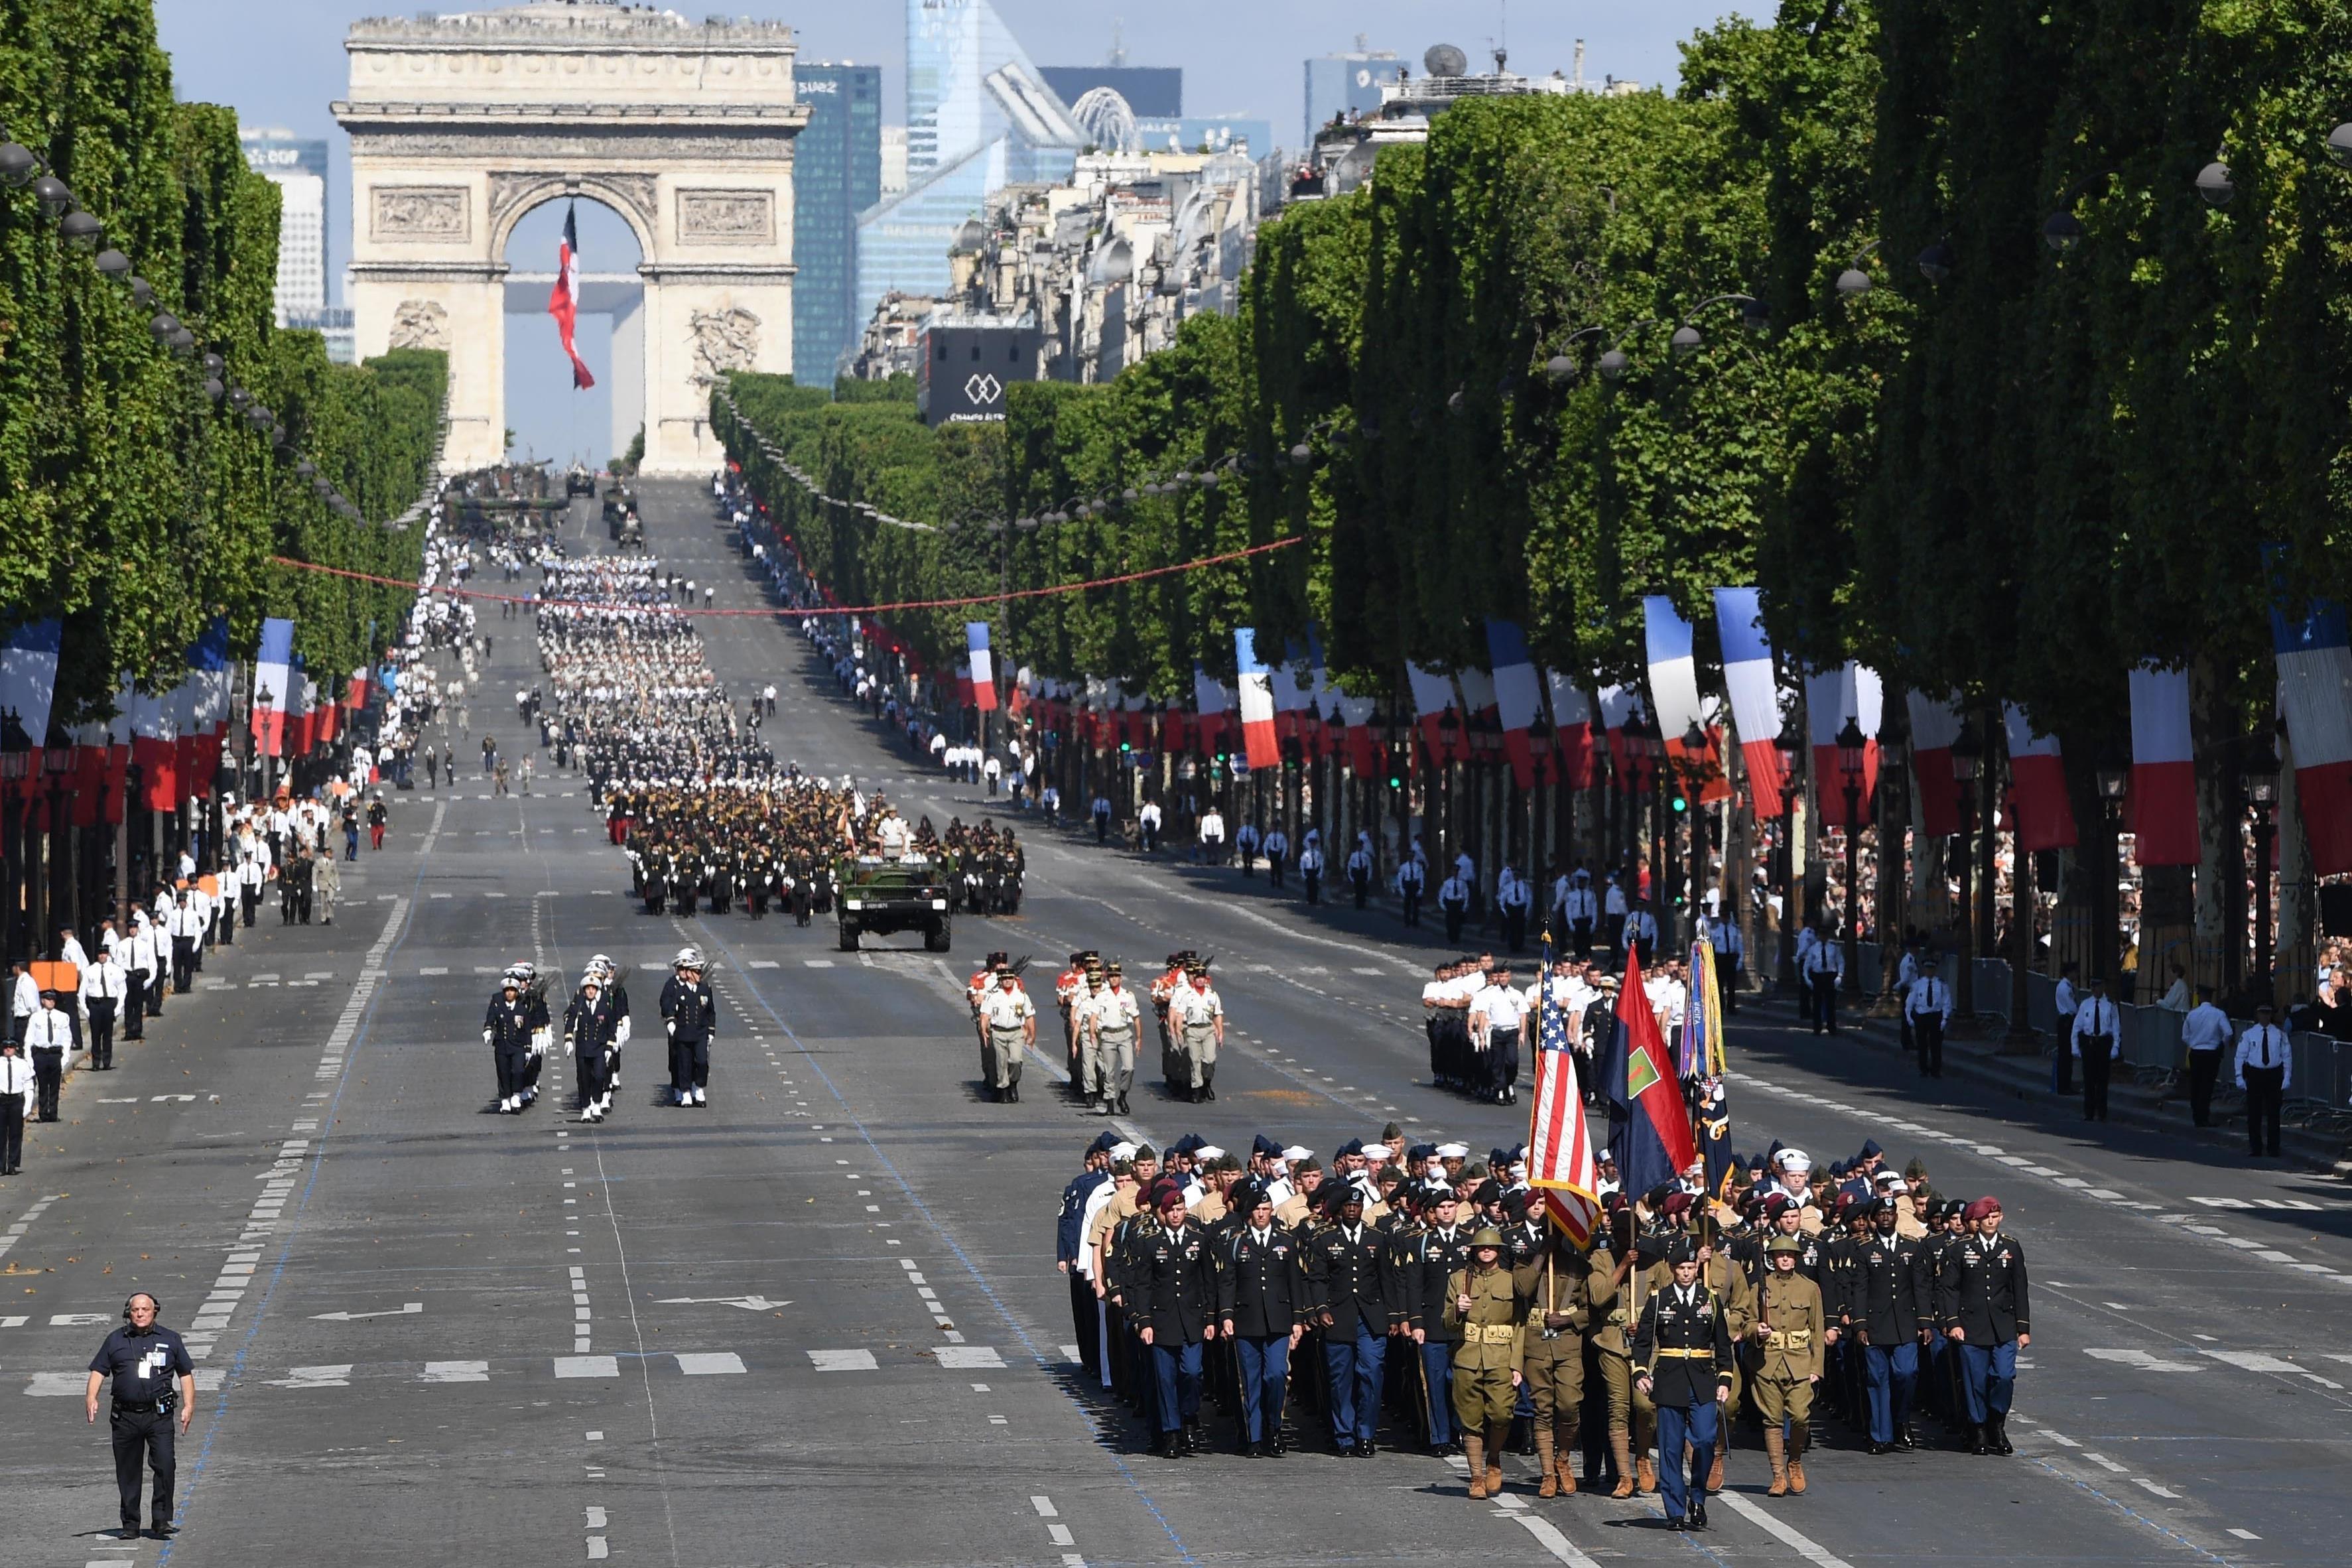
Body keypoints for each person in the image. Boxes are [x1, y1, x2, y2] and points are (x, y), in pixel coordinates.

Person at [1632, 1236, 1734, 1530]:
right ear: (1673, 1269)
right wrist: (1640, 1372)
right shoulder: (1660, 1299)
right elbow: (1643, 1342)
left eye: (1691, 1267)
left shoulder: (1710, 1300)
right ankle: (1675, 1510)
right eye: (1681, 1268)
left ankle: (1698, 1496)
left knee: (1704, 1440)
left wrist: (1725, 1379)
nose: (1687, 1273)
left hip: (1702, 1379)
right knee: (1671, 1449)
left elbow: (1723, 1345)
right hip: (1670, 1378)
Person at [84, 1293, 194, 1540]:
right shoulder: (115, 1340)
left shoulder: (171, 1339)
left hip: (159, 1417)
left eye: (145, 1309)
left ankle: (161, 1519)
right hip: (125, 1417)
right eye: (135, 1310)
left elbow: (185, 1374)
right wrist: (91, 1397)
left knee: (166, 1464)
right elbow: (98, 1372)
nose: (140, 1314)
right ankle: (131, 1524)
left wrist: (189, 1405)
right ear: (128, 1312)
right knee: (128, 1471)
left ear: (155, 1310)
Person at [1937, 1196, 2029, 1455]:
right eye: (1986, 1216)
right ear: (1976, 1221)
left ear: (2001, 1218)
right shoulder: (1960, 1248)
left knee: (2004, 1375)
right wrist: (1952, 1322)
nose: (1991, 1220)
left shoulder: (2011, 1246)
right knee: (1974, 1381)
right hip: (1971, 1326)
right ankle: (1977, 1428)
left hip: (2003, 1325)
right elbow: (1949, 1288)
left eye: (1995, 1216)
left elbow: (2019, 1288)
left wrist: (2023, 1328)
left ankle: (1997, 1423)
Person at [1306, 1185, 1392, 1458]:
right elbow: (1317, 1279)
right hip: (1339, 1317)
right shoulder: (1324, 1239)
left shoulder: (1377, 1238)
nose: (1353, 1210)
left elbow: (1387, 1279)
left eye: (1357, 1206)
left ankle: (1365, 1433)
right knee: (1340, 1380)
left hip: (1371, 1317)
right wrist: (1321, 1309)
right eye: (1348, 1206)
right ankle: (1344, 1435)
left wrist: (1395, 1316)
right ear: (1340, 1209)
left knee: (1372, 1372)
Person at [1218, 1183, 1303, 1457]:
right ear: (1249, 1213)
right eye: (1257, 1210)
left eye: (1266, 1209)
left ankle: (1274, 1428)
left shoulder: (1286, 1242)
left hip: (1279, 1320)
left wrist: (1298, 1320)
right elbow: (1228, 1283)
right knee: (1249, 1382)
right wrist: (1227, 1316)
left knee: (1277, 1375)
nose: (1262, 1214)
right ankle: (1253, 1437)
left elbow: (1295, 1283)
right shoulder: (1236, 1244)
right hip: (1247, 1319)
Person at [1514, 1220, 1594, 1496]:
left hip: (1568, 1345)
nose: (1554, 1240)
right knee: (1542, 1409)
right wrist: (1541, 1255)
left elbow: (1590, 1309)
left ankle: (1563, 1457)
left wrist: (1568, 1318)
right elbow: (1524, 1289)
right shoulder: (1525, 1262)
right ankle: (1548, 1473)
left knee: (1570, 1405)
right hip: (1536, 1345)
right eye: (1549, 1236)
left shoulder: (1579, 1266)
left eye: (1558, 1235)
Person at [1136, 1183, 1216, 1456]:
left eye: (1180, 1210)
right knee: (1165, 1379)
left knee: (1192, 1373)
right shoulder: (1151, 1244)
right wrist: (1145, 1322)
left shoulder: (1198, 1239)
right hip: (1162, 1321)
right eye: (1171, 1210)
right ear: (1163, 1212)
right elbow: (1143, 1285)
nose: (1175, 1215)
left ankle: (1189, 1416)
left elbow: (1208, 1282)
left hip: (1192, 1320)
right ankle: (1171, 1433)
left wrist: (1210, 1319)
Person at [1443, 1226, 1522, 1500]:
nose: (1486, 1251)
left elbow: (1519, 1325)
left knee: (1502, 1414)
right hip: (1468, 1356)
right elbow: (1447, 1323)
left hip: (1501, 1357)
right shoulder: (1459, 1280)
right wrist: (1457, 1310)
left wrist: (1517, 1364)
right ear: (1474, 1251)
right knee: (1470, 1419)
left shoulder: (1512, 1281)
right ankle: (1477, 1476)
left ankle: (1495, 1459)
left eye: (1491, 1248)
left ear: (1499, 1251)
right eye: (1481, 1247)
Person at [1750, 1232, 1826, 1495]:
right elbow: (1747, 1321)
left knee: (1800, 1416)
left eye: (1789, 1255)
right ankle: (1778, 1476)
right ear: (1771, 1259)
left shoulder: (1809, 1288)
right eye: (1780, 1255)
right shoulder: (1760, 1286)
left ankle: (1794, 1460)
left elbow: (1818, 1330)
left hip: (1799, 1362)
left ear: (1796, 1259)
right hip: (1768, 1361)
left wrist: (1817, 1367)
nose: (1785, 1259)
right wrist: (1755, 1331)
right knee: (1771, 1420)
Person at [660, 947, 718, 1108]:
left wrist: (711, 1032)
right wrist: (671, 1022)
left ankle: (698, 1089)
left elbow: (710, 1011)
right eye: (682, 969)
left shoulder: (705, 989)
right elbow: (667, 1005)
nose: (685, 972)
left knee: (701, 1062)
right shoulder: (675, 987)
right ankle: (682, 1091)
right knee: (680, 1062)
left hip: (700, 1033)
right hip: (682, 1032)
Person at [1084, 963, 1140, 1117]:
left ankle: (1122, 1096)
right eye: (1111, 976)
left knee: (1128, 1068)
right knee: (1109, 1072)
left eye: (1116, 976)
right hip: (1108, 1035)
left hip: (1124, 1034)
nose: (1114, 979)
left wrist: (1139, 1038)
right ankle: (1109, 1103)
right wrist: (1092, 1035)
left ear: (1121, 978)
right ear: (1107, 979)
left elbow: (1136, 1018)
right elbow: (1094, 1017)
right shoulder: (1102, 996)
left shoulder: (1128, 996)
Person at [2235, 1003, 2290, 1157]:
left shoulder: (2279, 1034)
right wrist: (2239, 1076)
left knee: (2273, 1113)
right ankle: (2255, 1147)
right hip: (2255, 1074)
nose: (2265, 1017)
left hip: (2273, 1074)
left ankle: (2273, 1148)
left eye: (2268, 1013)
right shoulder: (2249, 1034)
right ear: (2258, 1015)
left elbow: (2286, 1056)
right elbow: (2240, 1056)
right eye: (2262, 1013)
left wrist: (2287, 1076)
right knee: (2254, 1113)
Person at [1169, 960, 1224, 1102]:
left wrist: (1220, 1032)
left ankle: (1206, 1082)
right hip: (1192, 1031)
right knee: (1195, 1061)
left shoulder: (1213, 995)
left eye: (1202, 977)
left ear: (1206, 979)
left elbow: (1217, 1015)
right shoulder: (1188, 995)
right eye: (1197, 977)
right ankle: (1196, 1090)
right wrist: (1178, 1030)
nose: (1199, 979)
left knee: (1209, 1060)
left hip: (1208, 1030)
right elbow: (1180, 1014)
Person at [978, 966, 1035, 1104]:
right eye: (1005, 979)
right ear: (1000, 980)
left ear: (1014, 979)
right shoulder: (994, 996)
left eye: (1010, 978)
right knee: (1001, 1062)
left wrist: (1032, 1035)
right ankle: (1003, 1090)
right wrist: (983, 1030)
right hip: (998, 1032)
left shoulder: (1021, 996)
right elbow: (985, 1015)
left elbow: (1030, 1017)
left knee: (1015, 1060)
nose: (1008, 981)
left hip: (1016, 1032)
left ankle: (1013, 1083)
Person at [2069, 976, 2121, 1122]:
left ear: (2103, 987)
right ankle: (2089, 1112)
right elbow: (2077, 1026)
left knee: (2102, 1080)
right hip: (2089, 1043)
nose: (2094, 989)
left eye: (2097, 986)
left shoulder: (2110, 1005)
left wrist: (2115, 1047)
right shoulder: (2086, 1004)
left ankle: (2102, 1112)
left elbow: (2116, 1028)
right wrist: (2075, 1046)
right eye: (2092, 987)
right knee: (2089, 1080)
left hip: (2103, 1043)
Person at [484, 970, 535, 1115]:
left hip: (518, 1046)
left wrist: (528, 1048)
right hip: (502, 1045)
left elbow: (527, 1029)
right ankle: (505, 1099)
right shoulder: (498, 1006)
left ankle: (516, 1096)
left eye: (512, 991)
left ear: (517, 993)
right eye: (507, 991)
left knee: (518, 1071)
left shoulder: (522, 1009)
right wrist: (488, 1029)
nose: (509, 994)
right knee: (503, 1073)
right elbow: (491, 1018)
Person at [2180, 991, 2232, 1127]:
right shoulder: (2218, 1014)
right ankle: (2204, 1116)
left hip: (2196, 1052)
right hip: (2211, 1053)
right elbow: (2228, 1032)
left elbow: (2185, 1036)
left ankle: (2196, 1114)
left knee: (2196, 1084)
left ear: (2200, 999)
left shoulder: (2192, 1014)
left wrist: (2193, 1043)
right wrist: (2220, 1046)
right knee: (2207, 1085)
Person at [1906, 956, 1953, 1078]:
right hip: (1921, 1016)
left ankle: (1936, 1070)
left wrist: (1945, 1018)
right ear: (1924, 969)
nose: (1930, 971)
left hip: (1935, 1016)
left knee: (1936, 1045)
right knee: (1922, 1044)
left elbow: (1946, 1002)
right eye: (1927, 968)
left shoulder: (1942, 984)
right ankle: (1923, 1068)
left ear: (1935, 969)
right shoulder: (1918, 984)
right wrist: (1909, 1017)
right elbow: (1910, 1002)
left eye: (1932, 968)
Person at [82, 945, 127, 1071]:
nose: (102, 956)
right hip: (95, 1004)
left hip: (109, 1003)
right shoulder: (90, 970)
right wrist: (86, 1011)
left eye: (104, 953)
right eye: (100, 954)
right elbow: (82, 992)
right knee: (95, 1036)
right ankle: (96, 1063)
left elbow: (122, 990)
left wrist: (118, 1008)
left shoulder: (115, 969)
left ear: (108, 955)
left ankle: (107, 1062)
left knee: (107, 1035)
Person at [1801, 928, 1844, 1033]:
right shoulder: (1813, 949)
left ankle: (1831, 1026)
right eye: (1821, 935)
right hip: (1818, 976)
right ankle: (1817, 1027)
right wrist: (1807, 978)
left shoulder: (1834, 948)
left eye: (1825, 935)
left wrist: (1840, 975)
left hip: (1830, 975)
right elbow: (1807, 964)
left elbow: (1840, 962)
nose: (1823, 937)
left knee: (1831, 1003)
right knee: (1817, 1003)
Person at [0, 1037, 29, 1173]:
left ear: (16, 1048)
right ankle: (1, 1166)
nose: (8, 1049)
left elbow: (28, 1085)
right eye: (6, 1047)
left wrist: (27, 1106)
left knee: (15, 1133)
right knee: (1, 1134)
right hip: (2, 1100)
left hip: (16, 1100)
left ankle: (12, 1164)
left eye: (11, 1047)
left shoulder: (22, 1064)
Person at [1437, 870, 1471, 944]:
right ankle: (1451, 936)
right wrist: (1442, 905)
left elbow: (1466, 894)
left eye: (1457, 872)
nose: (1455, 873)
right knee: (1450, 922)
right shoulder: (1447, 883)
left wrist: (1465, 905)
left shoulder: (1462, 883)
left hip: (1458, 903)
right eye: (1454, 872)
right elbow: (1442, 894)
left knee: (1458, 922)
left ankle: (1456, 937)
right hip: (1450, 903)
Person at [313, 849, 342, 927]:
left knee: (331, 900)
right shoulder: (318, 862)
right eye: (329, 852)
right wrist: (314, 884)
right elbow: (314, 873)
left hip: (331, 884)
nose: (331, 854)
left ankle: (329, 916)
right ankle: (323, 918)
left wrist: (338, 884)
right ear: (325, 853)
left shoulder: (333, 862)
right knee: (323, 903)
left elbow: (336, 873)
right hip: (322, 883)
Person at [1398, 853, 1425, 927]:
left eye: (1412, 856)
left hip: (1415, 885)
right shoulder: (1404, 866)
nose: (1411, 858)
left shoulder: (1418, 866)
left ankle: (1415, 922)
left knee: (1416, 905)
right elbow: (1400, 878)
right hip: (1408, 885)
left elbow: (1421, 877)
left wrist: (1421, 888)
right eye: (1409, 856)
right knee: (1407, 905)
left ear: (1414, 857)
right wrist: (1401, 888)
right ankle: (1407, 921)